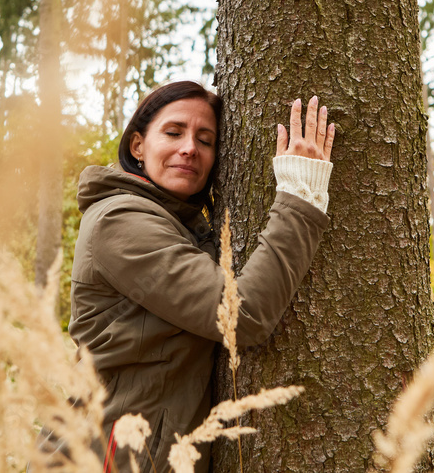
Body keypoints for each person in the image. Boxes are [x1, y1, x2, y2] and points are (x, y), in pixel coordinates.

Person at [68, 81, 335, 473]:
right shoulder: (118, 221)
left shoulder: (178, 225)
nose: (190, 147)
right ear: (138, 146)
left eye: (205, 139)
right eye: (173, 132)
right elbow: (241, 315)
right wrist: (300, 195)